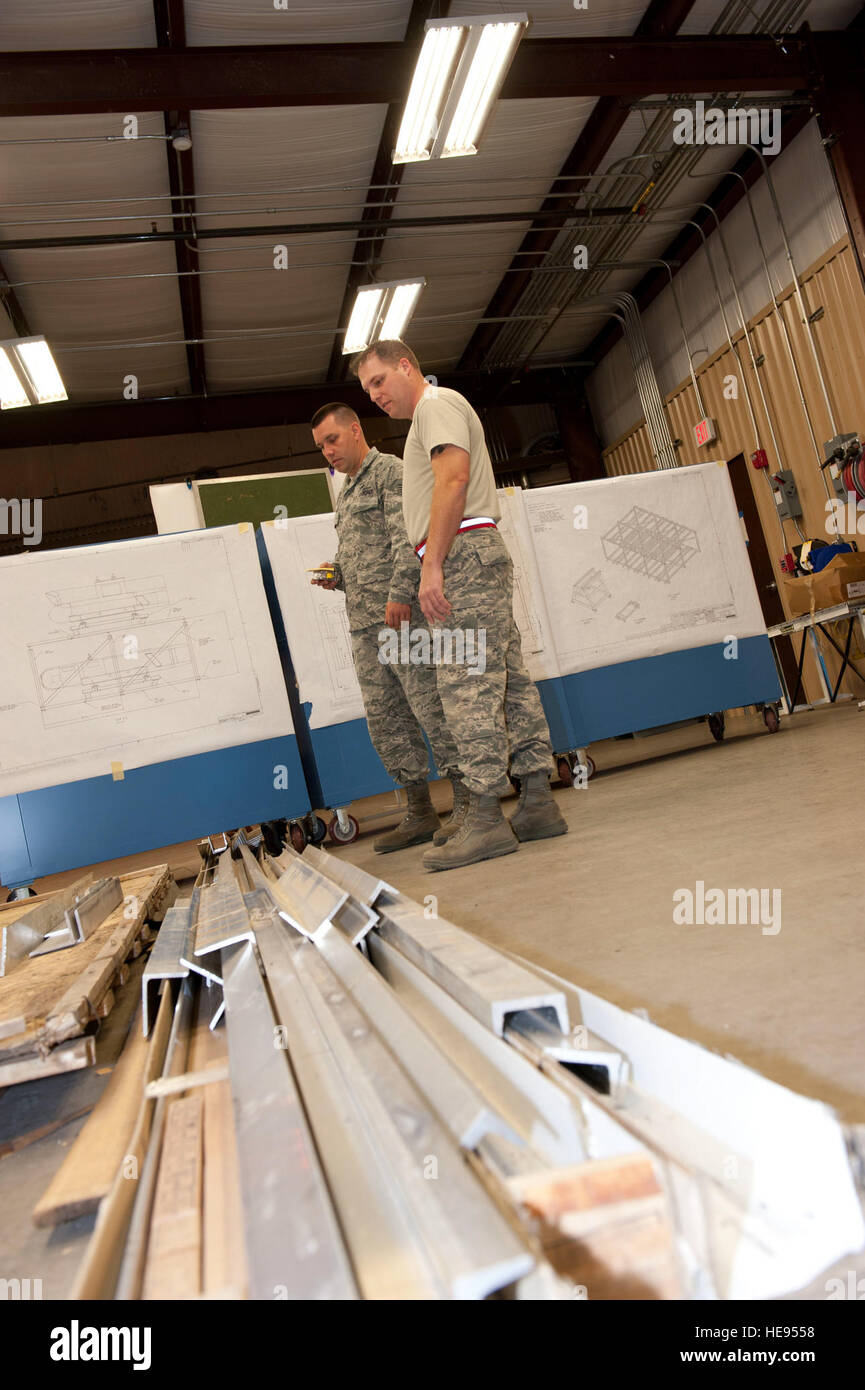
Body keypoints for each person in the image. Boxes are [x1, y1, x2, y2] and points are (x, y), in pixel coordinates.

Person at [351, 341, 567, 872]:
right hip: (472, 553)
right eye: (366, 389)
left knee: (464, 684)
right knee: (508, 679)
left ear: (407, 366)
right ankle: (537, 801)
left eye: (379, 381)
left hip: (460, 555)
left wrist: (432, 566)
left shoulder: (436, 405)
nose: (375, 395)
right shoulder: (427, 415)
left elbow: (453, 479)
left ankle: (488, 819)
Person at [310, 402, 463, 853]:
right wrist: (337, 574)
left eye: (332, 440)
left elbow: (407, 539)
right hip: (365, 627)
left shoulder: (388, 473)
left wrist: (399, 592)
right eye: (321, 447)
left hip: (400, 618)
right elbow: (367, 553)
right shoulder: (349, 490)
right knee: (387, 720)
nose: (327, 452)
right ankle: (419, 811)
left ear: (355, 431)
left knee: (429, 706)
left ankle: (468, 803)